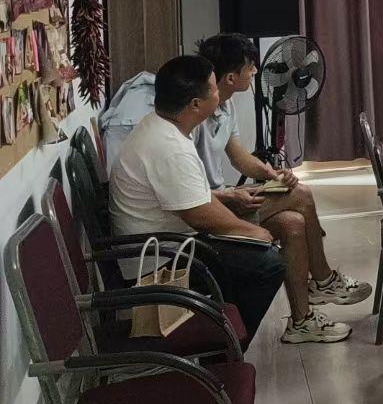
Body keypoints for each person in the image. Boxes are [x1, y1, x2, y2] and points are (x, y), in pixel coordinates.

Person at [108, 55, 288, 341]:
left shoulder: (163, 127)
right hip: (159, 260)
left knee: (284, 226)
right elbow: (200, 216)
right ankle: (225, 347)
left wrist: (227, 197)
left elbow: (193, 199)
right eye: (214, 88)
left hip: (171, 241)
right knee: (268, 265)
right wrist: (252, 232)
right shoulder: (169, 146)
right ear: (195, 104)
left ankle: (226, 331)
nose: (219, 93)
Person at [195, 34, 371, 310]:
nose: (255, 71)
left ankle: (302, 321)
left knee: (292, 222)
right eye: (249, 67)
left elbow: (239, 157)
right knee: (301, 194)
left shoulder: (226, 106)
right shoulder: (195, 115)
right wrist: (229, 196)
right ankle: (324, 280)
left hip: (223, 197)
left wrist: (272, 175)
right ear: (230, 78)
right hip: (211, 207)